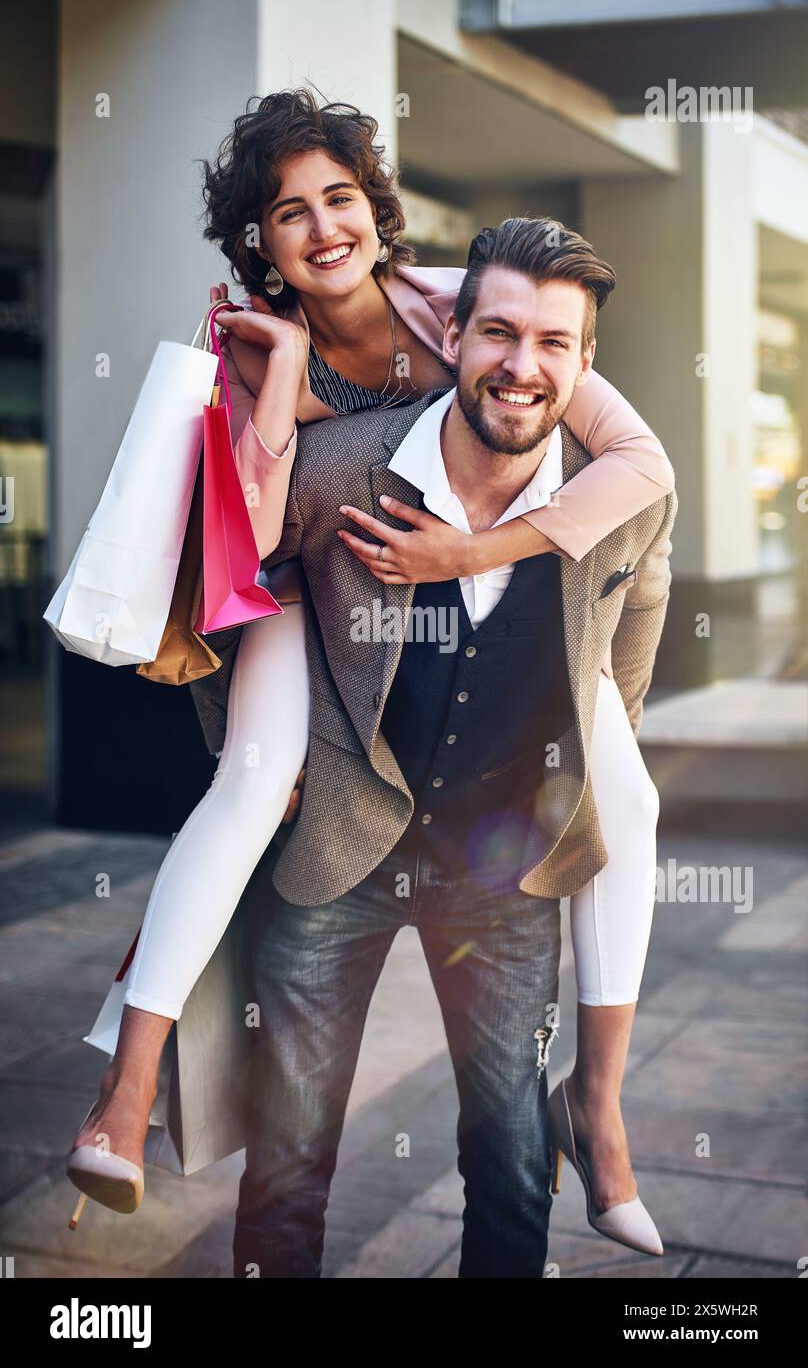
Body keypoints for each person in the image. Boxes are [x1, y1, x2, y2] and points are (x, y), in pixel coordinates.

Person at [66, 91, 674, 1260]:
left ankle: (595, 1108)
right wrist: (279, 393)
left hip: (473, 574)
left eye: (339, 197)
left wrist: (477, 557)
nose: (322, 227)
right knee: (246, 790)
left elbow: (642, 476)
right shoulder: (252, 340)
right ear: (259, 240)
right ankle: (122, 1098)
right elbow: (235, 555)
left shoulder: (467, 304)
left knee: (629, 800)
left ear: (375, 207)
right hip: (312, 582)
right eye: (288, 212)